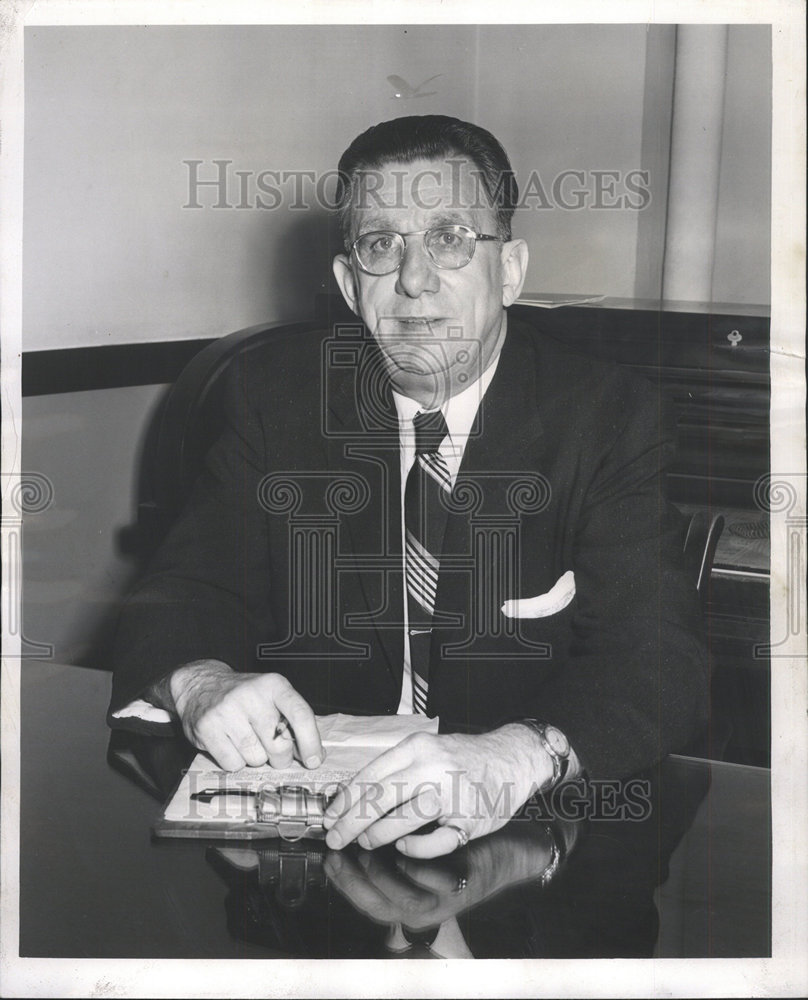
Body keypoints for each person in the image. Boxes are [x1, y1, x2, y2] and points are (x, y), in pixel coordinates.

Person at [109, 115, 708, 858]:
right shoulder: (276, 398)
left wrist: (515, 755)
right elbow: (184, 590)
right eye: (380, 244)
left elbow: (658, 660)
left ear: (511, 270)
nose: (413, 279)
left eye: (451, 237)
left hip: (521, 832)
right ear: (348, 282)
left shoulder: (607, 416)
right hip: (311, 846)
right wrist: (200, 682)